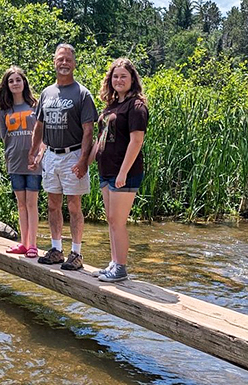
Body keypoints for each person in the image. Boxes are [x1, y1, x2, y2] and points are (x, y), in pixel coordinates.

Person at [28, 44, 97, 270]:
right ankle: (56, 249)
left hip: (73, 155)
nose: (64, 63)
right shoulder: (47, 93)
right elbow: (39, 126)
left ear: (74, 63)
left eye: (68, 59)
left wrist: (83, 160)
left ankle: (76, 253)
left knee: (74, 205)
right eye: (60, 59)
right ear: (54, 62)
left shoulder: (82, 94)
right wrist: (34, 150)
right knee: (52, 204)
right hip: (51, 156)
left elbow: (89, 131)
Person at [89, 58, 148, 282]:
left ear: (132, 79)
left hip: (125, 172)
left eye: (124, 76)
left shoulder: (136, 106)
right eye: (115, 76)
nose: (119, 80)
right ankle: (114, 263)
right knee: (111, 219)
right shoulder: (112, 106)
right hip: (107, 170)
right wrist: (86, 162)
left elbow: (136, 142)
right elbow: (100, 138)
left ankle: (121, 268)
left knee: (118, 221)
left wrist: (123, 172)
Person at [0, 65, 44, 258]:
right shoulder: (4, 111)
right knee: (21, 204)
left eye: (18, 80)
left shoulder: (35, 106)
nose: (15, 83)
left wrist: (39, 155)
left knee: (32, 203)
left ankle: (33, 245)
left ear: (24, 82)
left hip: (33, 163)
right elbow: (3, 137)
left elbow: (43, 135)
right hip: (14, 162)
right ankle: (23, 243)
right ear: (7, 85)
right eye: (11, 81)